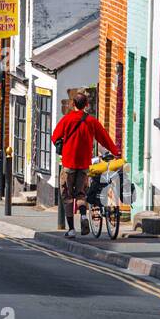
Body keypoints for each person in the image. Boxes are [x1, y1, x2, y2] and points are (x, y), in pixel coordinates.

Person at [51, 90, 119, 237]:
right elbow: (104, 137)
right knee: (81, 194)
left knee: (67, 195)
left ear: (73, 104)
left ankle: (71, 229)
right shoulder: (91, 121)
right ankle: (83, 216)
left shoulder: (67, 119)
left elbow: (55, 136)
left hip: (68, 163)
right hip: (84, 165)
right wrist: (115, 151)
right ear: (87, 105)